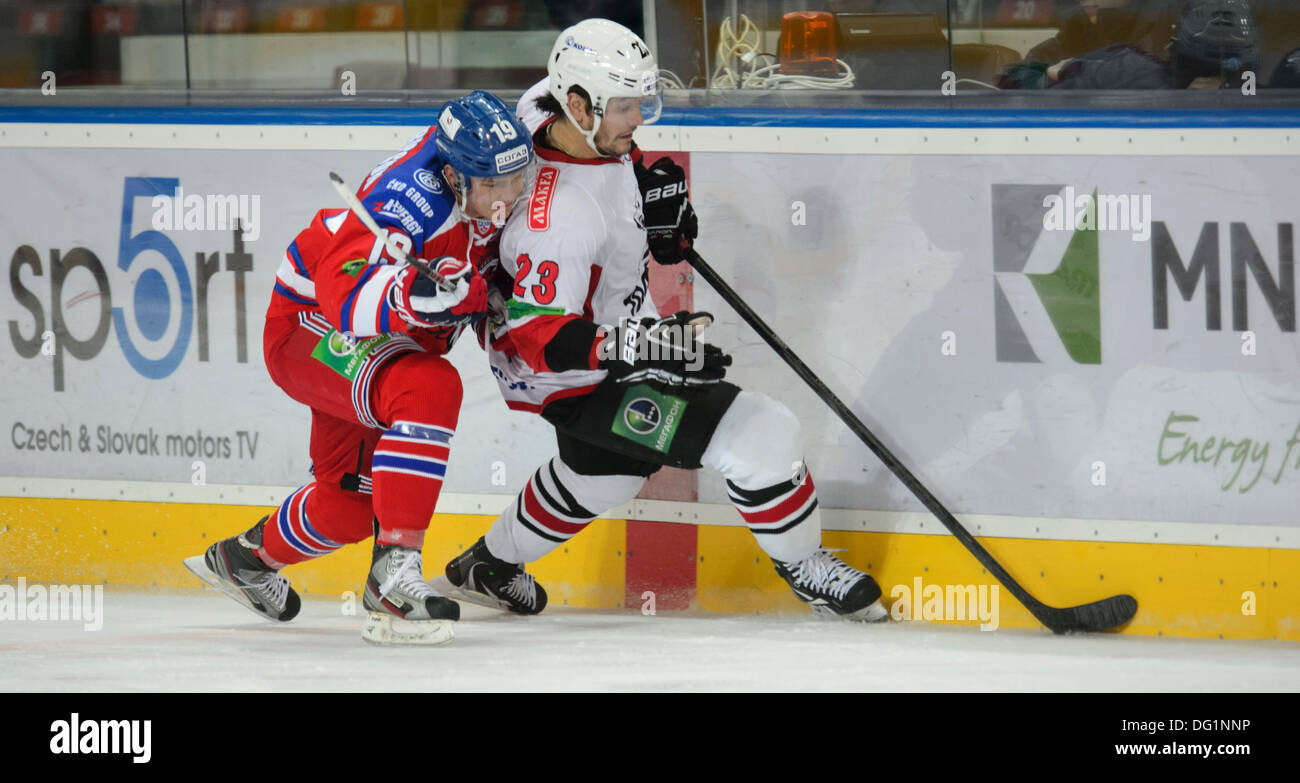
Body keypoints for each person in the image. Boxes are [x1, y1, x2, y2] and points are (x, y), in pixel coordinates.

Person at [433, 18, 887, 623]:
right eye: (624, 107)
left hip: (607, 344)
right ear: (579, 103)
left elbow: (613, 185)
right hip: (579, 377)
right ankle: (806, 570)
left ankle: (487, 567)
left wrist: (653, 198)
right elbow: (540, 338)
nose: (638, 118)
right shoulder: (557, 223)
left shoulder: (548, 112)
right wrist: (643, 346)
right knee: (763, 436)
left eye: (641, 101)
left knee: (605, 473)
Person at [184, 91, 535, 645]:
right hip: (312, 327)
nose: (509, 197)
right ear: (453, 176)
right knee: (428, 387)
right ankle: (392, 576)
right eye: (493, 186)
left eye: (517, 180)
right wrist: (422, 294)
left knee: (346, 509)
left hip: (384, 345)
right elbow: (343, 298)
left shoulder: (490, 175)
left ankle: (242, 561)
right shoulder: (406, 201)